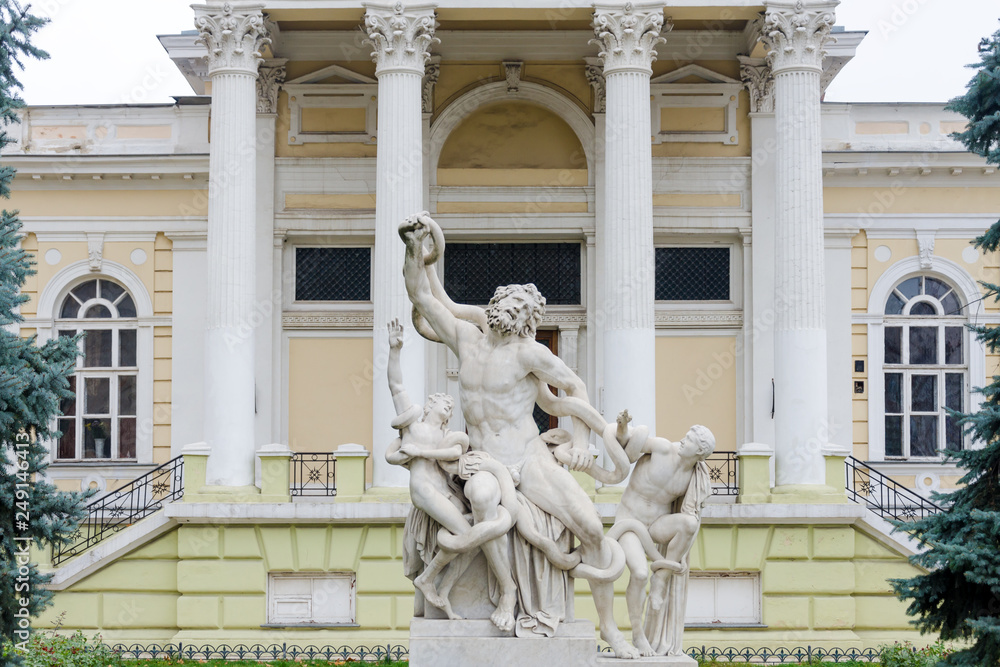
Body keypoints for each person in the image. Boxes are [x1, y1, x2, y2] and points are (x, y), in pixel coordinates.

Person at [399, 212, 627, 640]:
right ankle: (507, 593)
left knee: (593, 528)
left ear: (527, 319)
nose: (510, 308)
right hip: (484, 461)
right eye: (507, 300)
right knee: (483, 495)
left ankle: (611, 630)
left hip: (528, 457)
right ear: (495, 302)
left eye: (520, 307)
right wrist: (414, 246)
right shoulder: (466, 340)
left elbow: (573, 385)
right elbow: (422, 296)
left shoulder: (529, 352)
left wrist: (579, 440)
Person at [598, 412, 715, 658]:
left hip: (656, 526)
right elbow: (627, 444)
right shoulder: (662, 448)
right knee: (640, 574)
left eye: (691, 439)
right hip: (630, 522)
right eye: (687, 435)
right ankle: (638, 635)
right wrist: (622, 426)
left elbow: (690, 511)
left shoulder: (693, 476)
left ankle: (661, 578)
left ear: (700, 453)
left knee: (689, 524)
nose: (684, 439)